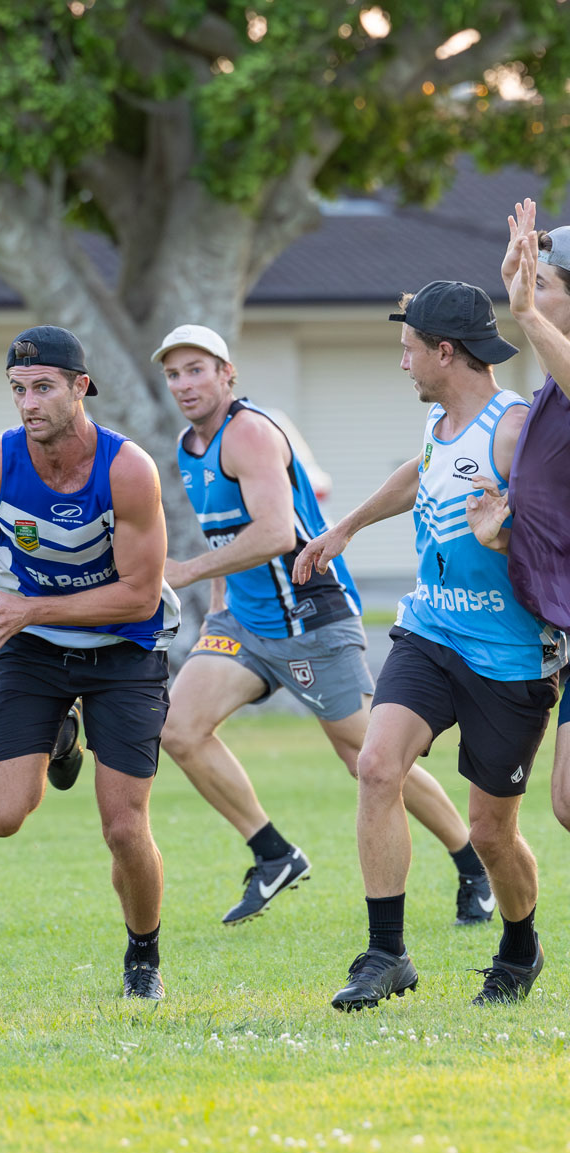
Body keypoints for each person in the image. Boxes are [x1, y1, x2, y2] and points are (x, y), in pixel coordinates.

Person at [151, 323, 493, 928]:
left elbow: (276, 534)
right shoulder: (188, 446)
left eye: (197, 369)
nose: (185, 384)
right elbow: (225, 535)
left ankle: (472, 863)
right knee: (179, 728)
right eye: (174, 373)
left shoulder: (250, 434)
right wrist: (215, 604)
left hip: (311, 618)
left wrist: (181, 572)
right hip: (245, 623)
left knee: (369, 757)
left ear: (228, 374)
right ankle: (273, 854)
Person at [293, 281, 567, 1009]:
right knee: (377, 766)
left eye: (409, 350)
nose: (402, 363)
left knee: (491, 833)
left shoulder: (517, 429)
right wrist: (344, 527)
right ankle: (387, 954)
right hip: (429, 630)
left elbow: (556, 541)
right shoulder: (441, 422)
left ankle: (519, 945)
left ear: (447, 352)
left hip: (509, 658)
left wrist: (504, 534)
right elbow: (423, 475)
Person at [0, 324, 180, 1000]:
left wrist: (27, 609)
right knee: (1, 815)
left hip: (125, 648)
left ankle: (143, 957)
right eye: (18, 390)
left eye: (43, 387)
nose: (29, 402)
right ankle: (60, 735)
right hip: (31, 649)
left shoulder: (127, 470)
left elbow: (139, 593)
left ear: (80, 387)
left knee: (125, 827)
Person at [466, 201, 570, 837]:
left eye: (546, 282)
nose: (529, 291)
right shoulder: (549, 392)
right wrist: (503, 532)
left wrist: (524, 310)